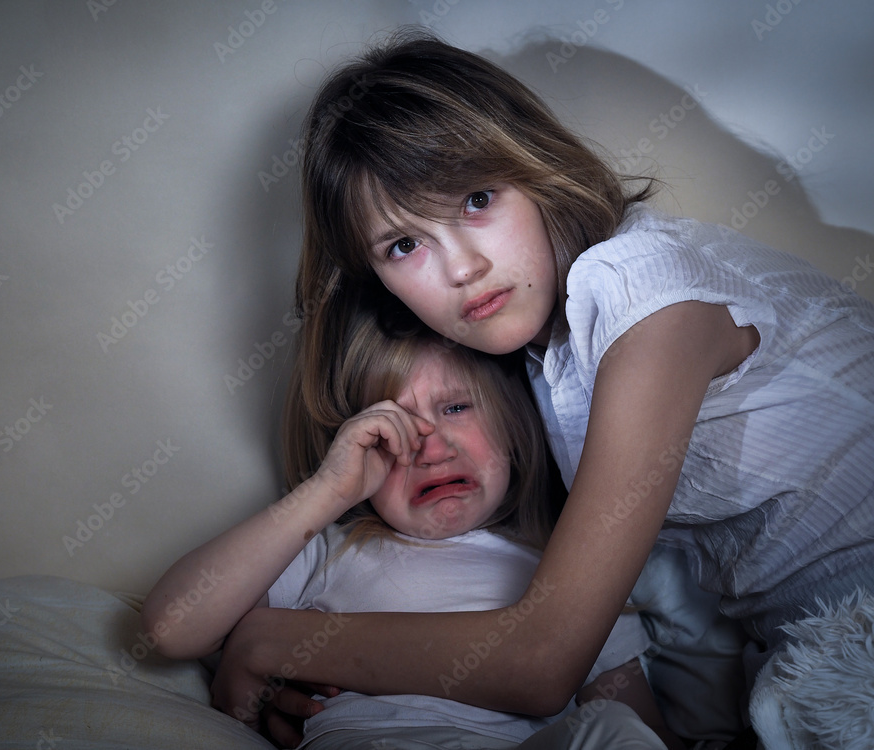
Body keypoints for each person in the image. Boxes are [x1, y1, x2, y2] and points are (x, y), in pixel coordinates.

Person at [207, 30, 874, 745]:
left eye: (476, 199)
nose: (460, 268)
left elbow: (543, 661)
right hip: (811, 656)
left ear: (537, 169)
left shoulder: (645, 296)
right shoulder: (541, 363)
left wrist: (272, 643)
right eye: (404, 245)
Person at [143, 313, 679, 749]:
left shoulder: (570, 574)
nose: (429, 446)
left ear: (514, 427)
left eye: (455, 407)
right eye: (389, 427)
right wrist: (328, 492)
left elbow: (640, 729)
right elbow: (174, 627)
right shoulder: (332, 551)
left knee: (608, 727)